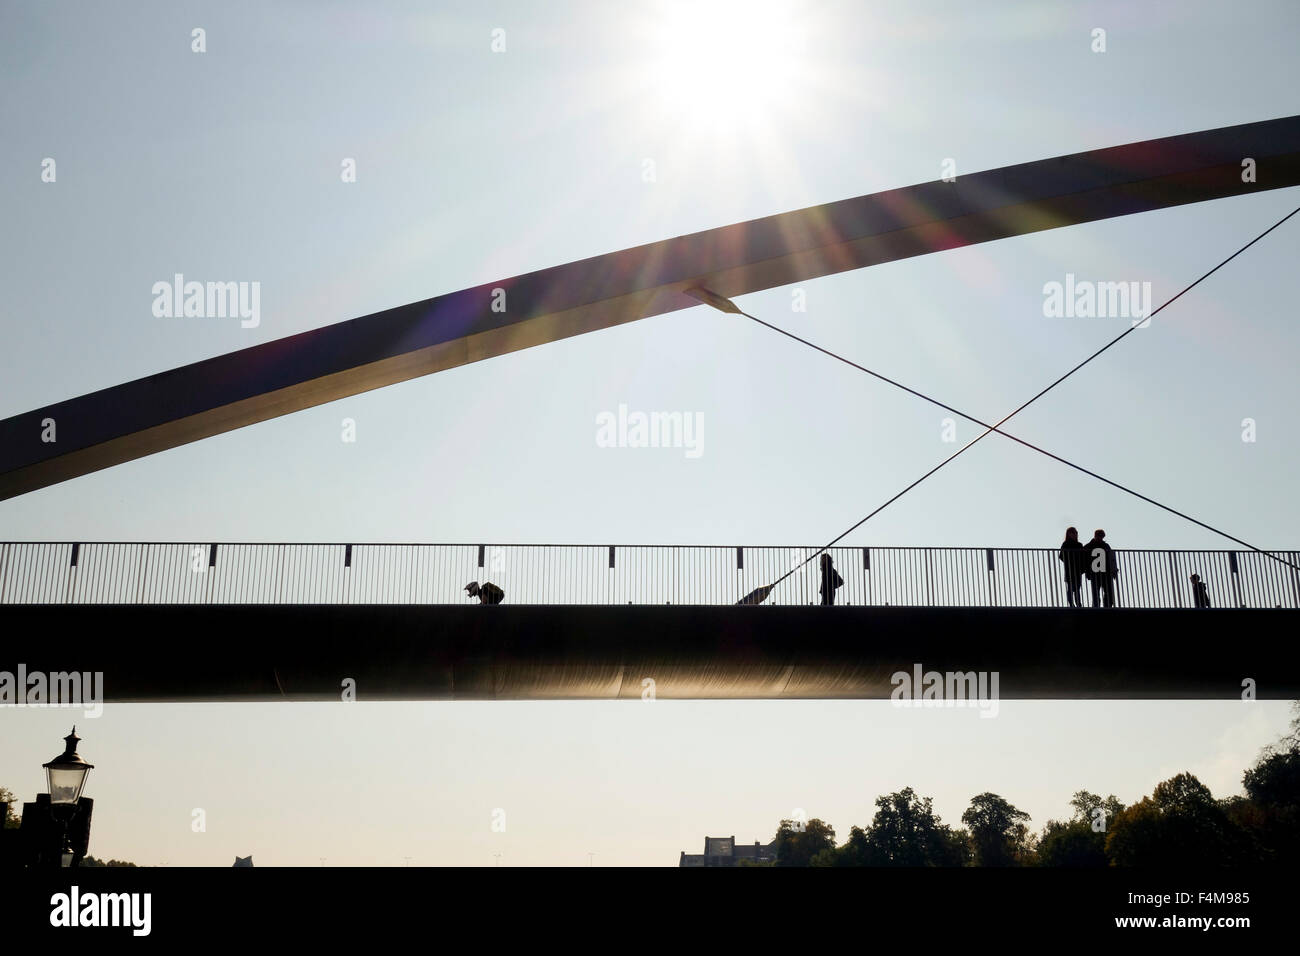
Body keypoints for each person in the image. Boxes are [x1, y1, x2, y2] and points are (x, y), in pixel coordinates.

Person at [1084, 530, 1116, 607]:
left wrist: (1113, 570)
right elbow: (1111, 558)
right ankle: (1101, 607)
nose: (1100, 538)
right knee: (1097, 593)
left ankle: (1105, 607)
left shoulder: (1090, 546)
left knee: (1106, 593)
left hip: (1103, 573)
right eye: (1099, 536)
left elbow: (1111, 559)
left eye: (1101, 537)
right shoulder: (1102, 546)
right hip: (1098, 573)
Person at [1057, 526, 1085, 607]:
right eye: (1073, 533)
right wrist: (1069, 561)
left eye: (1076, 533)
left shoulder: (1079, 545)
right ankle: (1072, 604)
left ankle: (1078, 603)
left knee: (1077, 588)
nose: (1075, 534)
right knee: (1071, 588)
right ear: (1069, 534)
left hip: (1077, 569)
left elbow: (1083, 556)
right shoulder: (1066, 544)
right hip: (1070, 569)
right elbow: (1061, 556)